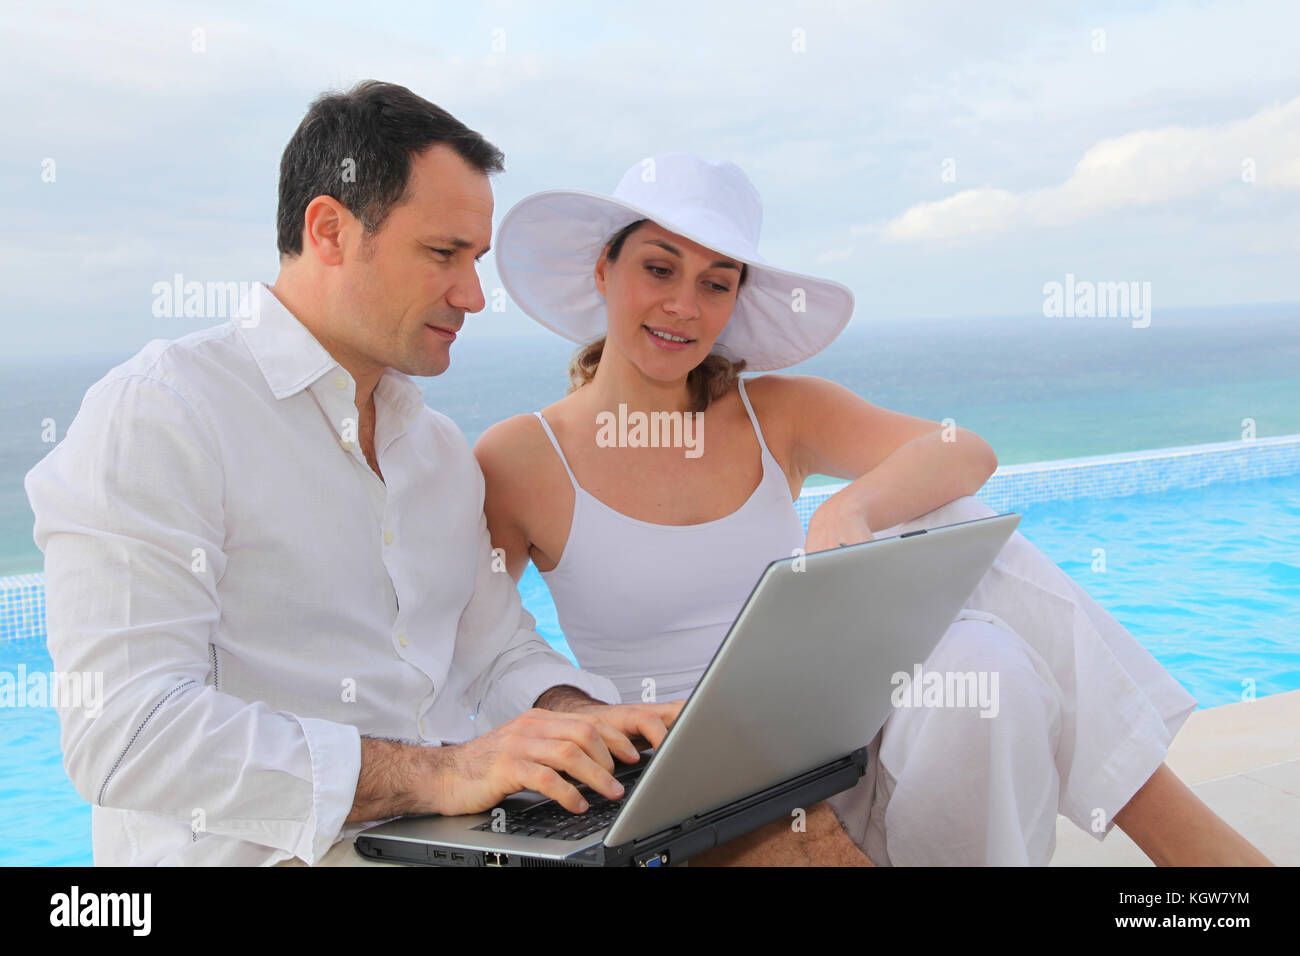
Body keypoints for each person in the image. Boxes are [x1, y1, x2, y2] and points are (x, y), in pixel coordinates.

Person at [473, 152, 1273, 866]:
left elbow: (965, 450)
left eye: (715, 283)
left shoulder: (774, 413)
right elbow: (475, 644)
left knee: (973, 614)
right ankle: (1193, 847)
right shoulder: (522, 456)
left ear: (733, 304)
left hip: (843, 750)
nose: (684, 304)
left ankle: (1181, 843)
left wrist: (846, 511)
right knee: (953, 537)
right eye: (659, 268)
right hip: (691, 792)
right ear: (603, 272)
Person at [23, 81, 682, 867]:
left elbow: (499, 651)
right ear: (330, 230)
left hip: (436, 846)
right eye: (444, 253)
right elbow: (124, 733)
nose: (473, 295)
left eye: (476, 259)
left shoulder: (435, 451)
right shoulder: (163, 415)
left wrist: (585, 721)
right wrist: (441, 772)